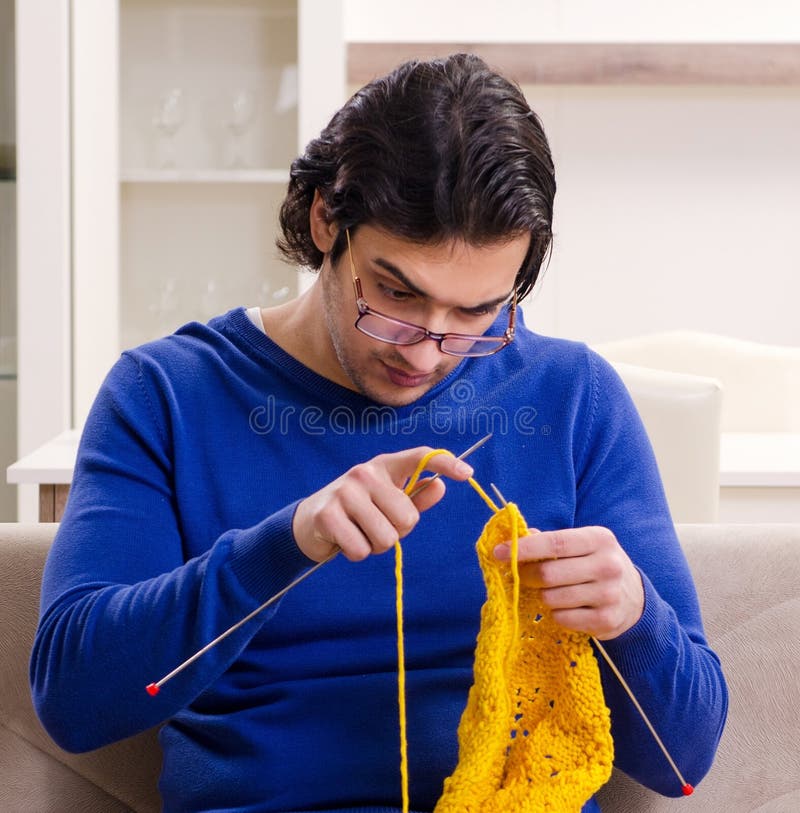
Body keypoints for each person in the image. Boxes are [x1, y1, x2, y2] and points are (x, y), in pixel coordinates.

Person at [31, 53, 727, 812]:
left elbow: (682, 762)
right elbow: (75, 703)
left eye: (475, 314)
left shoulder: (573, 397)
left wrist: (634, 618)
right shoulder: (165, 394)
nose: (427, 349)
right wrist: (286, 543)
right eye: (397, 293)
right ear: (326, 218)